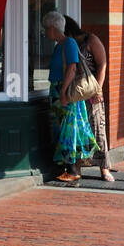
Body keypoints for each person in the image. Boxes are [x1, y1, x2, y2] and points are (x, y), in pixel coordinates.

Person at [41, 11, 97, 182]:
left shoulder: (69, 43)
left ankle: (72, 170)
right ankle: (66, 167)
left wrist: (64, 92)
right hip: (57, 91)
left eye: (46, 29)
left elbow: (72, 68)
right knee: (61, 130)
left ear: (52, 28)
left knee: (69, 130)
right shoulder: (60, 45)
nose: (45, 32)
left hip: (65, 93)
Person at [68, 18, 114, 181]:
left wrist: (98, 89)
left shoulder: (91, 40)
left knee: (97, 128)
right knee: (79, 130)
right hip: (76, 93)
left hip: (91, 91)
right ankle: (78, 166)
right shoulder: (69, 44)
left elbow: (102, 64)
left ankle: (104, 168)